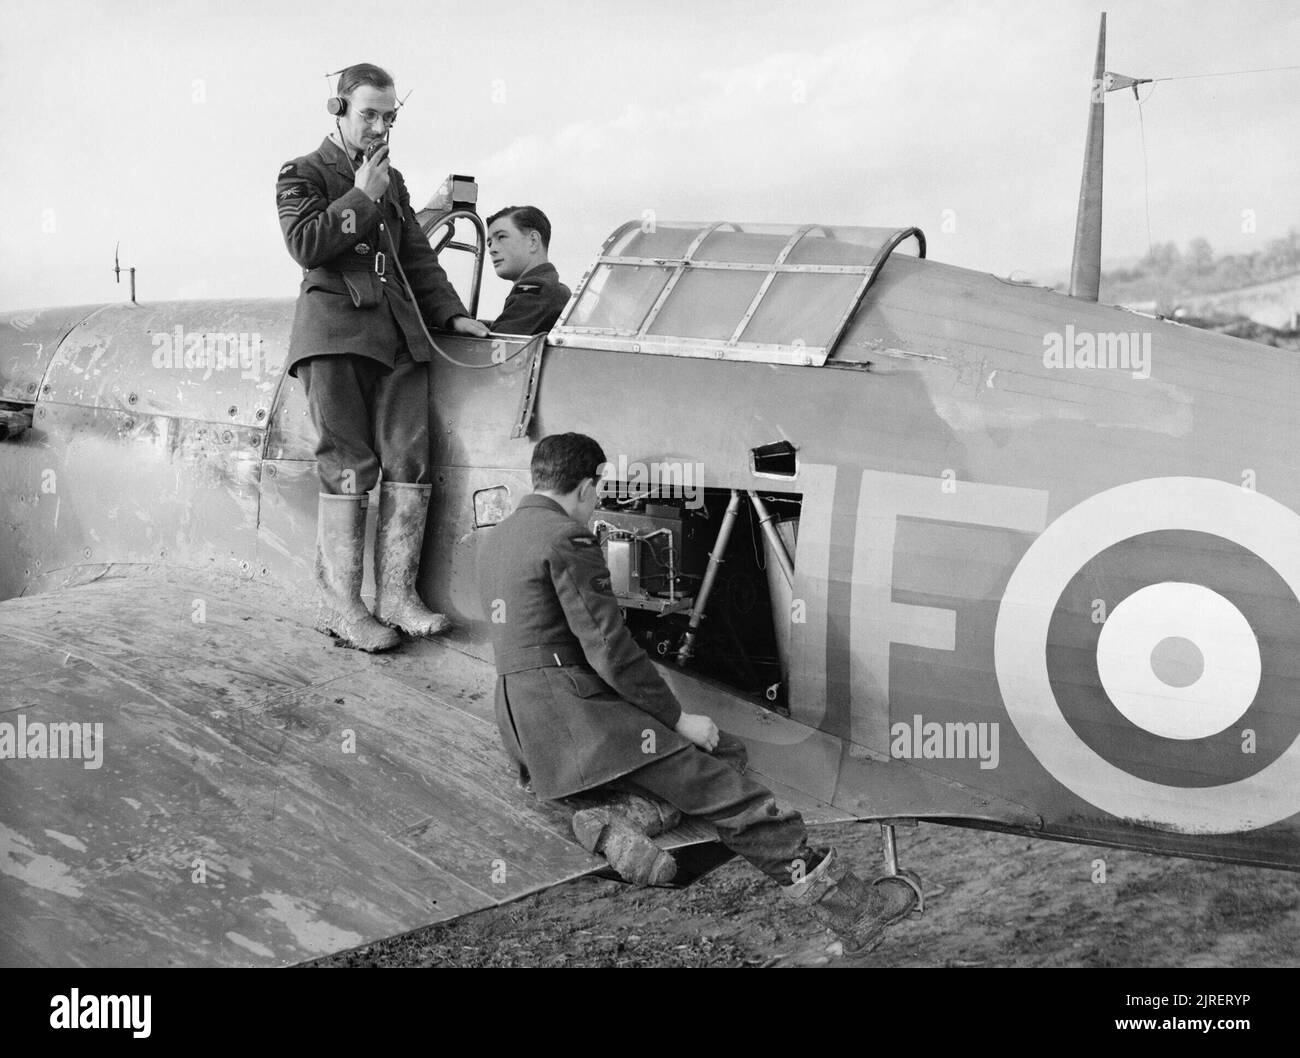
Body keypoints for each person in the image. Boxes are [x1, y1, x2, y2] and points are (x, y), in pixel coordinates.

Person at [476, 432, 920, 953]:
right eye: (599, 489)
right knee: (735, 796)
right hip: (578, 722)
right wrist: (678, 719)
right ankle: (854, 912)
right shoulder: (567, 539)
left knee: (726, 750)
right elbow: (610, 651)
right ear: (589, 482)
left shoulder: (499, 537)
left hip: (529, 733)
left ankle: (622, 818)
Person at [277, 62, 490, 652]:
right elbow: (306, 245)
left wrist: (450, 314)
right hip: (335, 334)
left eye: (388, 115)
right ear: (338, 109)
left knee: (409, 460)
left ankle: (396, 597)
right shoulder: (303, 172)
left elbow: (417, 257)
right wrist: (361, 197)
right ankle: (345, 608)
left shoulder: (392, 183)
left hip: (398, 334)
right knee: (346, 463)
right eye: (368, 113)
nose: (379, 125)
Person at [485, 206, 572, 335]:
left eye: (501, 237)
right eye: (489, 243)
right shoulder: (552, 288)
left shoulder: (536, 291)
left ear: (533, 241)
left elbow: (495, 349)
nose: (491, 250)